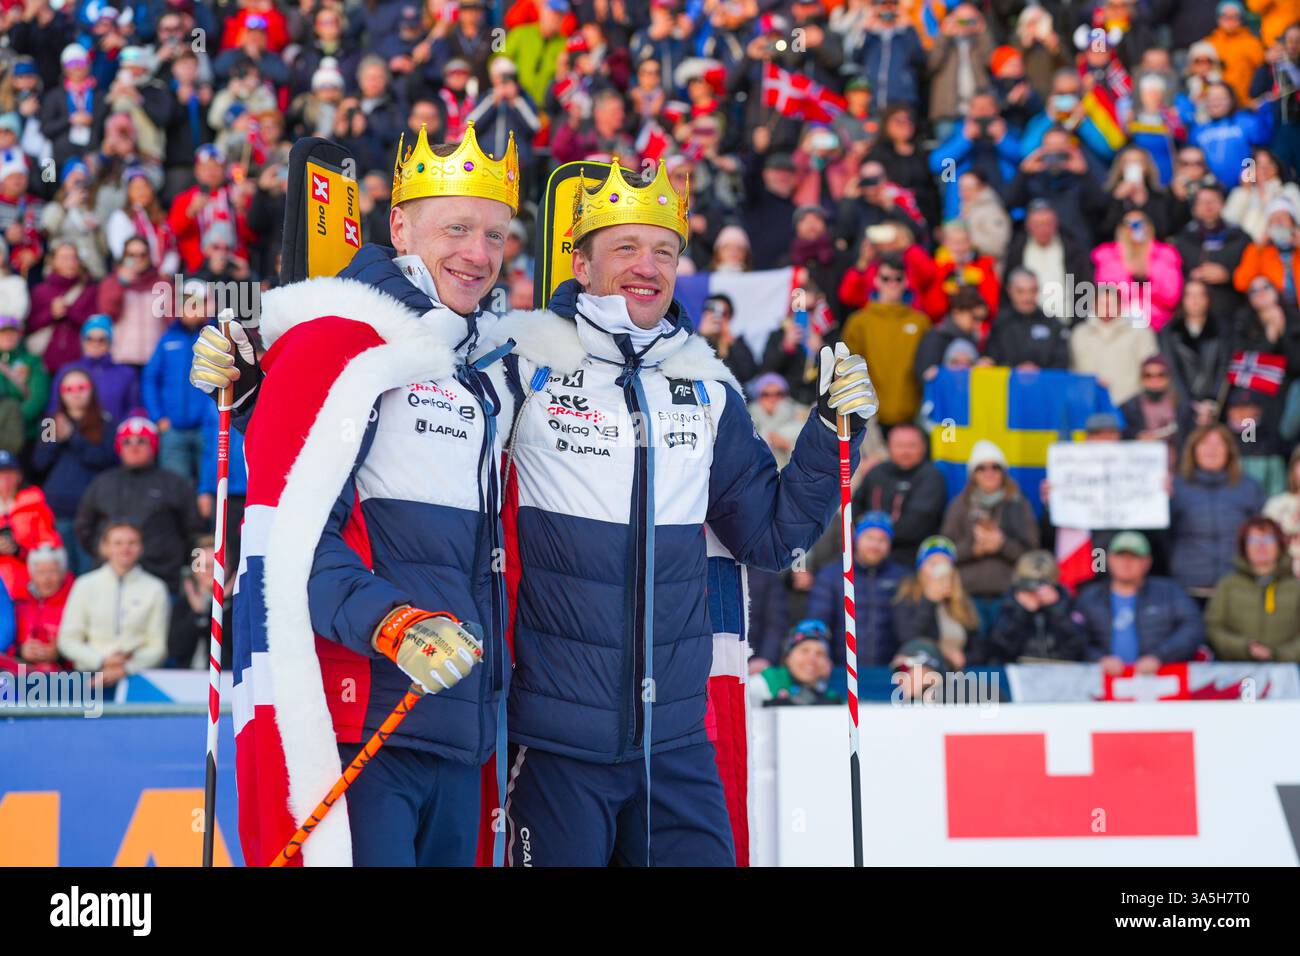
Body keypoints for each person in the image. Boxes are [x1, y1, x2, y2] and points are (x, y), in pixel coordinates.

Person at [480, 156, 877, 868]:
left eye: (664, 249)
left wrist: (829, 433)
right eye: (626, 247)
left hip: (675, 748)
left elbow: (770, 535)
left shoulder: (706, 388)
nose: (648, 266)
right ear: (579, 261)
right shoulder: (524, 365)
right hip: (555, 746)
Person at [189, 123, 523, 867]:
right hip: (362, 720)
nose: (478, 254)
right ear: (400, 224)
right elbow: (290, 540)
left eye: (496, 236)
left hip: (458, 728)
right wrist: (396, 625)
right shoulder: (344, 341)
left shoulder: (485, 368)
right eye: (459, 228)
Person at [74, 415, 201, 593]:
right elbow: (83, 526)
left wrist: (177, 562)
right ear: (119, 447)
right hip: (109, 581)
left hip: (162, 580)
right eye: (127, 442)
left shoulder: (175, 484)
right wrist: (107, 552)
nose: (134, 447)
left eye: (141, 441)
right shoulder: (103, 483)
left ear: (153, 446)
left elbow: (193, 531)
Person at [940, 439, 1039, 636]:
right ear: (973, 474)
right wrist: (974, 549)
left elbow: (1032, 555)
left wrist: (1002, 545)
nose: (989, 472)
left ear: (1003, 472)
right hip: (968, 597)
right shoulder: (959, 506)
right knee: (975, 658)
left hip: (1009, 597)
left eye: (995, 467)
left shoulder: (1019, 504)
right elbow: (945, 553)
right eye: (981, 468)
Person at [56, 520, 168, 688]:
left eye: (132, 542)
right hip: (88, 679)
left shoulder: (156, 588)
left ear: (141, 547)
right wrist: (102, 661)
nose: (125, 549)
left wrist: (125, 668)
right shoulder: (85, 585)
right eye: (118, 543)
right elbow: (67, 639)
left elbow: (158, 647)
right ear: (105, 548)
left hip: (138, 680)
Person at [1075, 531, 1206, 674]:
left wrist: (1160, 656)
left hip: (1158, 684)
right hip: (1100, 685)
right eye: (1120, 556)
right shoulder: (1090, 597)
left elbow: (1193, 628)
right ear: (1109, 559)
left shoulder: (1169, 591)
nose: (1126, 563)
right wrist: (1098, 658)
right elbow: (1074, 636)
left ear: (1147, 562)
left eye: (1134, 557)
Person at [30, 368, 116, 574]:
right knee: (63, 574)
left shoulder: (104, 422)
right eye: (68, 388)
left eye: (81, 387)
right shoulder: (51, 422)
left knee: (88, 572)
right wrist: (56, 440)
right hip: (58, 513)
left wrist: (72, 437)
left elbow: (105, 460)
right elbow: (40, 463)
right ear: (60, 393)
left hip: (92, 515)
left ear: (91, 390)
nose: (75, 393)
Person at [1170, 424, 1267, 597]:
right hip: (1189, 585)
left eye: (1218, 444)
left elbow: (1261, 534)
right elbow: (1163, 537)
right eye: (1204, 444)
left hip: (1238, 584)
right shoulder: (1176, 488)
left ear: (1229, 450)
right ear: (1193, 451)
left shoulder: (1249, 487)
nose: (1211, 450)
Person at [839, 253, 931, 427]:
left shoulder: (921, 322)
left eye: (898, 278)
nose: (892, 283)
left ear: (906, 282)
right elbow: (848, 369)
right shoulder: (859, 322)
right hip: (869, 418)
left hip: (911, 415)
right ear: (876, 281)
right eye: (886, 278)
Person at [806, 511, 906, 668]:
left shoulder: (902, 577)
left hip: (889, 672)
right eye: (869, 538)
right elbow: (818, 620)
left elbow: (909, 627)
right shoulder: (832, 575)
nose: (875, 545)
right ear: (856, 539)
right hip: (840, 671)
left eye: (882, 539)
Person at [852, 422, 948, 567]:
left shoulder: (932, 477)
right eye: (899, 445)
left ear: (923, 447)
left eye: (911, 446)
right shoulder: (877, 472)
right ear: (889, 447)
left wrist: (878, 536)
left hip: (909, 557)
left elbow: (917, 524)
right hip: (867, 552)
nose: (905, 451)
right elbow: (855, 507)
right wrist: (869, 537)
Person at [1205, 516, 1300, 662]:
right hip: (1236, 670)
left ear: (1280, 544)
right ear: (1244, 546)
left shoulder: (1295, 587)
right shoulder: (1228, 585)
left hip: (1289, 672)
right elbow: (1213, 627)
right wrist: (1244, 648)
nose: (1261, 546)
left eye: (1268, 539)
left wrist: (1279, 654)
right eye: (1253, 540)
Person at [143, 279, 210, 482]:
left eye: (197, 303)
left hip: (207, 428)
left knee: (212, 490)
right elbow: (150, 379)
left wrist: (213, 416)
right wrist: (158, 417)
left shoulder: (215, 337)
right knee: (175, 488)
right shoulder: (167, 339)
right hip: (172, 429)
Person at [983, 550, 1087, 664]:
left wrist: (1055, 609)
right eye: (1030, 582)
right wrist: (1020, 611)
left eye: (1042, 582)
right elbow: (1000, 649)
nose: (1035, 589)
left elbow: (1078, 647)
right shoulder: (1006, 605)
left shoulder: (1067, 603)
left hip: (1061, 671)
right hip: (1019, 672)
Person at [893, 535, 980, 670]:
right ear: (921, 568)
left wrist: (964, 657)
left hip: (958, 676)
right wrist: (930, 600)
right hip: (923, 676)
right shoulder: (908, 597)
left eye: (944, 564)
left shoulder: (962, 602)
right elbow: (908, 639)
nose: (939, 571)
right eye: (933, 564)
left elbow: (979, 647)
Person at [1091, 210, 1184, 332]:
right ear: (1121, 228)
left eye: (1140, 224)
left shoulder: (1165, 255)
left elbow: (1171, 296)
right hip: (1118, 326)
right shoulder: (1107, 256)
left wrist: (1146, 282)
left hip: (1158, 325)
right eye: (1129, 224)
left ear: (1149, 227)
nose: (1135, 229)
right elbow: (1105, 296)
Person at [1069, 284, 1161, 406]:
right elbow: (1073, 370)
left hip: (1130, 406)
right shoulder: (1080, 334)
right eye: (1102, 304)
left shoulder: (1140, 333)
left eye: (1111, 304)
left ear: (1120, 305)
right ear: (1094, 305)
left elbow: (1152, 371)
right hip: (1090, 404)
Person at [0, 448, 59, 601]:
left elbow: (51, 546)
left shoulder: (35, 505)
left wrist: (19, 550)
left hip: (29, 588)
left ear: (19, 476)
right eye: (0, 473)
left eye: (9, 472)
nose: (4, 479)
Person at [985, 268, 1071, 369]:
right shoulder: (1000, 323)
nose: (1027, 297)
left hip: (1044, 383)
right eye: (1020, 291)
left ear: (1038, 290)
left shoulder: (1053, 324)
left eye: (1032, 290)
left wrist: (1039, 372)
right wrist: (1015, 370)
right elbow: (991, 358)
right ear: (1009, 290)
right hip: (1008, 383)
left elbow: (1061, 361)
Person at [749, 619, 842, 707]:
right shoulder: (766, 682)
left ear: (827, 664)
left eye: (820, 654)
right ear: (788, 657)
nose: (812, 659)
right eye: (804, 651)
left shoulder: (832, 698)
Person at [10, 543, 73, 674]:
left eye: (52, 572)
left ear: (62, 574)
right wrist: (21, 651)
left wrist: (60, 653)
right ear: (32, 575)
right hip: (21, 677)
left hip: (66, 678)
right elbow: (6, 643)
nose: (46, 579)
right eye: (41, 572)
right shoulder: (19, 605)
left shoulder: (75, 602)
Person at [0, 312, 49, 453]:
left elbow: (38, 398)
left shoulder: (32, 361)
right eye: (3, 332)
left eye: (12, 332)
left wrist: (12, 420)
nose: (8, 336)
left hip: (26, 432)